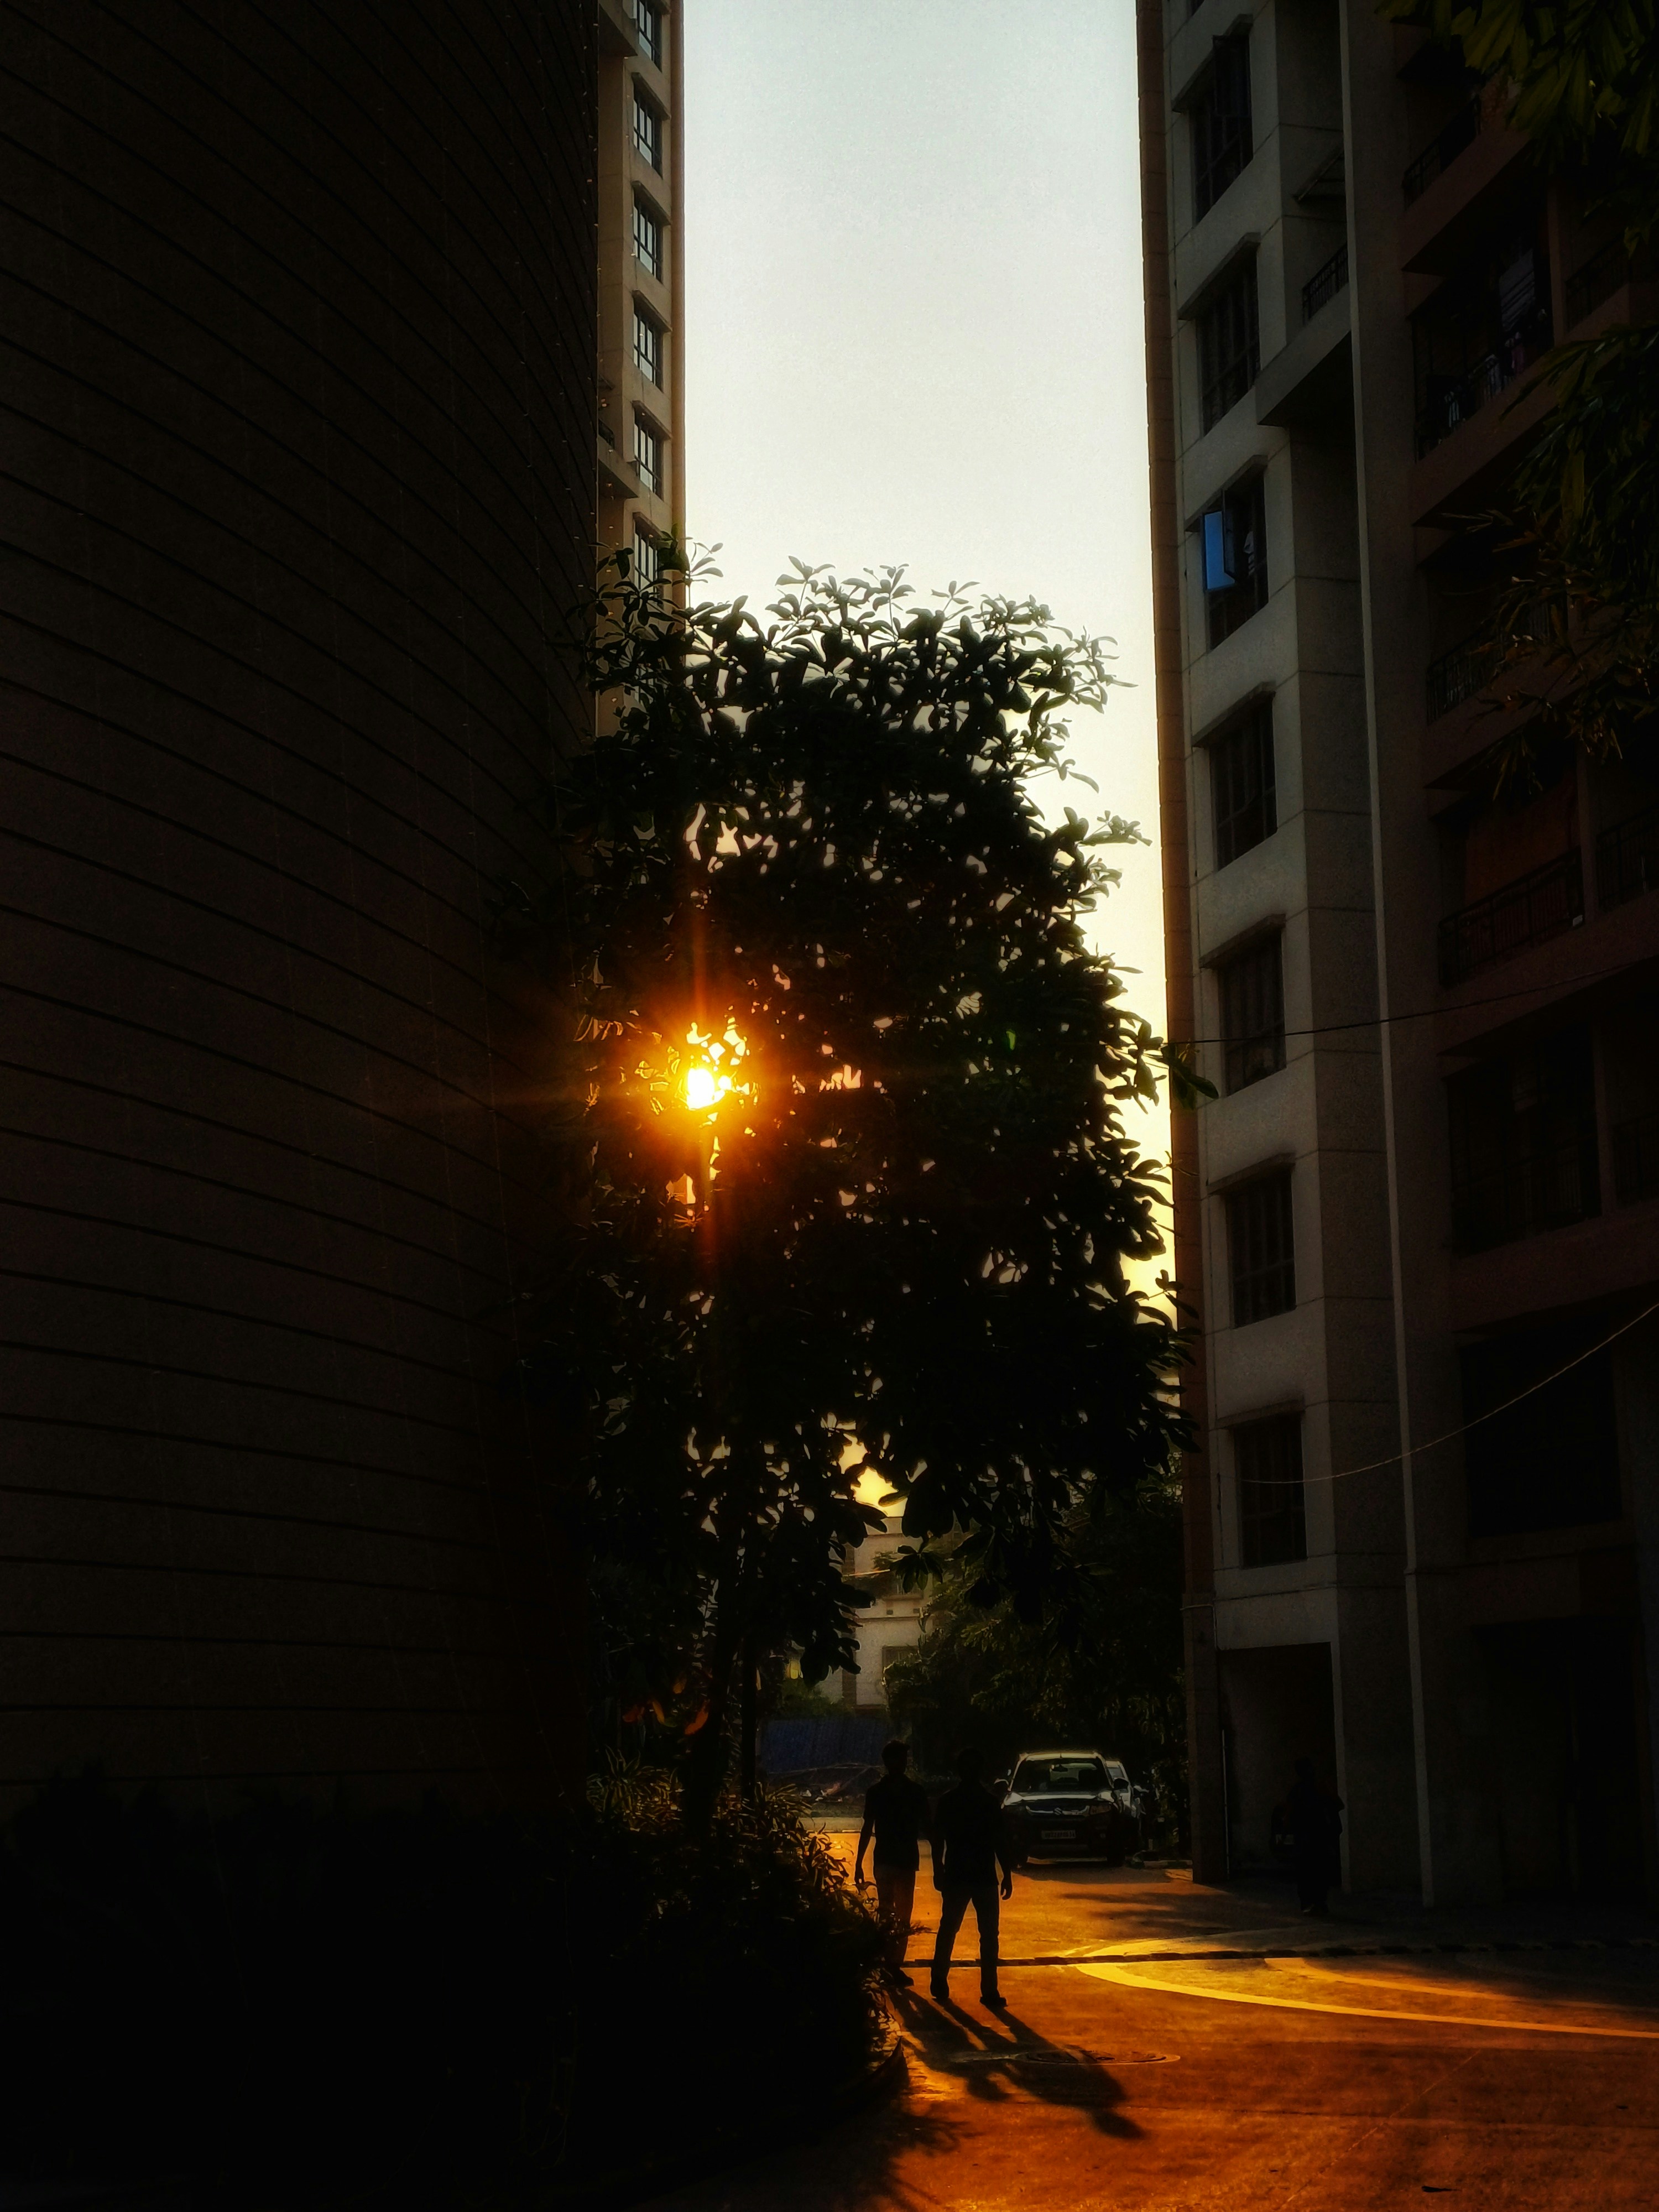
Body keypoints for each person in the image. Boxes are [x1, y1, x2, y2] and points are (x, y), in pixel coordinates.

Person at [929, 1746, 1015, 2010]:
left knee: (949, 1928)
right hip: (984, 1875)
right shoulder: (988, 1802)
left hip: (957, 1872)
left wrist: (938, 1868)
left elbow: (937, 1838)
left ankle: (939, 1980)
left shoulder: (948, 1801)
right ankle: (989, 1991)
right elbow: (1001, 1841)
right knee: (989, 1935)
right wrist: (1007, 1874)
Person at [855, 1739, 931, 1986]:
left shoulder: (878, 1792)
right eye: (900, 1758)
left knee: (890, 1913)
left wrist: (859, 1863)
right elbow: (929, 1828)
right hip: (901, 1860)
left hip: (889, 1859)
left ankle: (890, 1965)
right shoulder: (914, 1792)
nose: (903, 1763)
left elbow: (868, 1827)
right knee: (898, 1914)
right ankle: (893, 1965)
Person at [1286, 1756, 1344, 1915]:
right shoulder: (1317, 1788)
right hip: (1317, 1836)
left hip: (1311, 1837)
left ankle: (1312, 1903)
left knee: (1309, 1871)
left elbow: (1290, 1815)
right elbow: (1337, 1806)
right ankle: (1317, 1902)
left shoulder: (1300, 1790)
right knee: (1317, 1871)